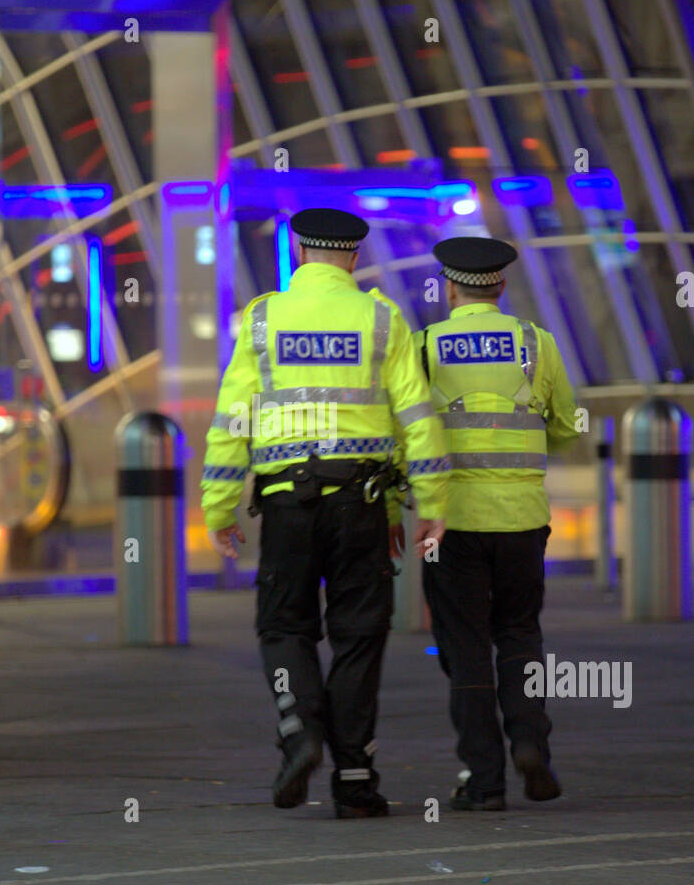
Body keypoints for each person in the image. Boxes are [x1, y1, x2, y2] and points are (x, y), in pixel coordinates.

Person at [201, 208, 449, 819]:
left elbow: (234, 420)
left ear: (299, 255)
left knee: (283, 627)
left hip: (287, 501)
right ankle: (356, 778)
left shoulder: (262, 319)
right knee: (359, 636)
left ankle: (298, 729)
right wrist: (423, 505)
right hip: (360, 501)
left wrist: (219, 504)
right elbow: (413, 421)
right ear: (354, 259)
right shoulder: (381, 318)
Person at [415, 236, 580, 811]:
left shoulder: (424, 347)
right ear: (501, 287)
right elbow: (565, 425)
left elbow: (410, 431)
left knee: (465, 647)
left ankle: (483, 780)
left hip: (450, 525)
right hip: (523, 520)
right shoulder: (536, 343)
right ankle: (531, 744)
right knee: (519, 634)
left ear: (450, 288)